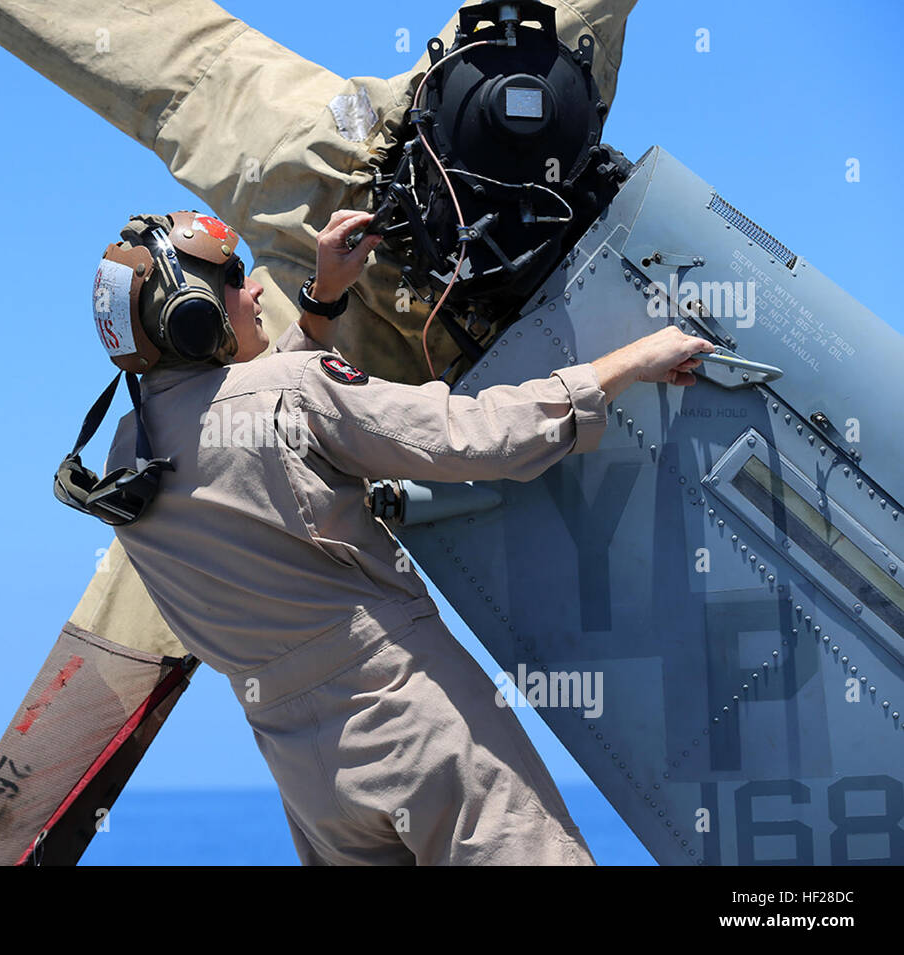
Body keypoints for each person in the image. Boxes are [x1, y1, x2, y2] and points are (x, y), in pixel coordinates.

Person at [88, 206, 713, 864]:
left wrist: (322, 299)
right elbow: (481, 436)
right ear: (191, 314)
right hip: (409, 720)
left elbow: (247, 425)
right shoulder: (291, 391)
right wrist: (629, 362)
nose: (251, 293)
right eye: (236, 278)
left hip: (305, 772)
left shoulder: (127, 462)